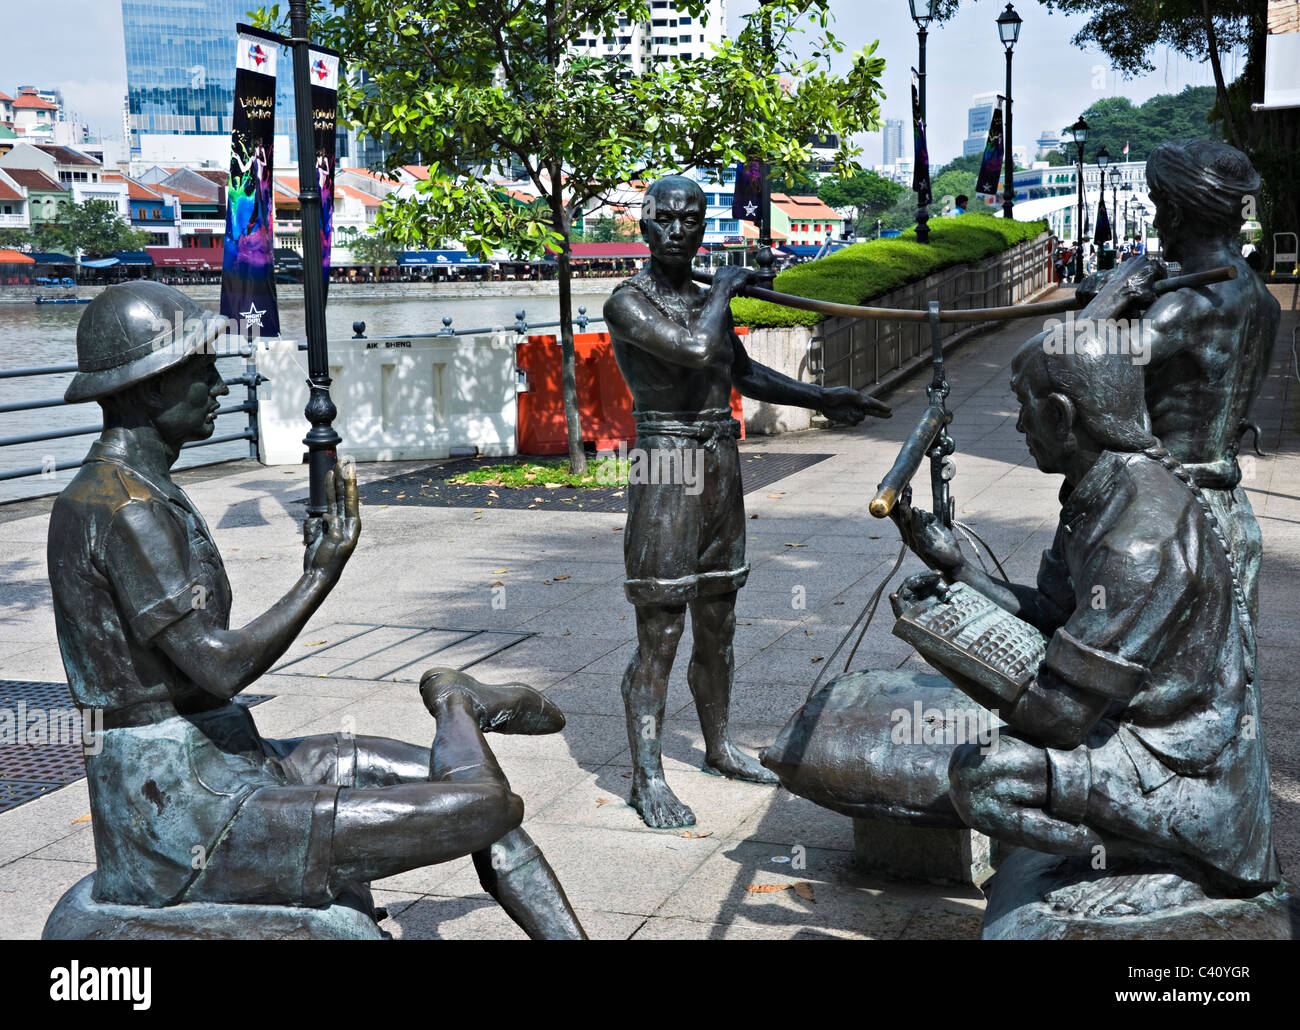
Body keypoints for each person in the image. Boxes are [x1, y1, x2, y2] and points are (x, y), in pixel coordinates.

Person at [49, 282, 585, 938]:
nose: (219, 384)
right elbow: (219, 668)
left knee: (472, 796)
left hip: (222, 756)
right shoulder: (125, 508)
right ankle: (456, 703)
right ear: (152, 388)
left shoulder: (136, 490)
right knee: (482, 803)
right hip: (179, 814)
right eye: (200, 369)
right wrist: (319, 576)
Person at [890, 330, 1279, 897]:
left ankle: (1157, 859)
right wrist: (959, 572)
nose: (1019, 426)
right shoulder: (1096, 488)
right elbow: (1052, 609)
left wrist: (940, 643)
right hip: (1129, 723)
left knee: (981, 780)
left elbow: (1058, 718)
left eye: (1024, 409)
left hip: (1177, 763)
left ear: (1060, 414)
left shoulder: (1138, 542)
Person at [603, 176, 891, 828]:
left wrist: (824, 397)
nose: (679, 231)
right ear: (646, 228)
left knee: (719, 615)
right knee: (663, 626)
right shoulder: (626, 302)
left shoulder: (704, 300)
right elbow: (696, 348)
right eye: (667, 220)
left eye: (691, 220)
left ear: (704, 228)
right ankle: (647, 776)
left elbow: (735, 368)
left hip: (719, 460)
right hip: (665, 459)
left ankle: (720, 744)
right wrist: (728, 292)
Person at [1066, 140, 1280, 625]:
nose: (1159, 223)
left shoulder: (1187, 305)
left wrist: (1110, 297)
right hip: (1227, 508)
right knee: (1223, 669)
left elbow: (1074, 361)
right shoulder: (1261, 299)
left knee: (1130, 675)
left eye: (1161, 209)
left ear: (1178, 215)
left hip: (1165, 515)